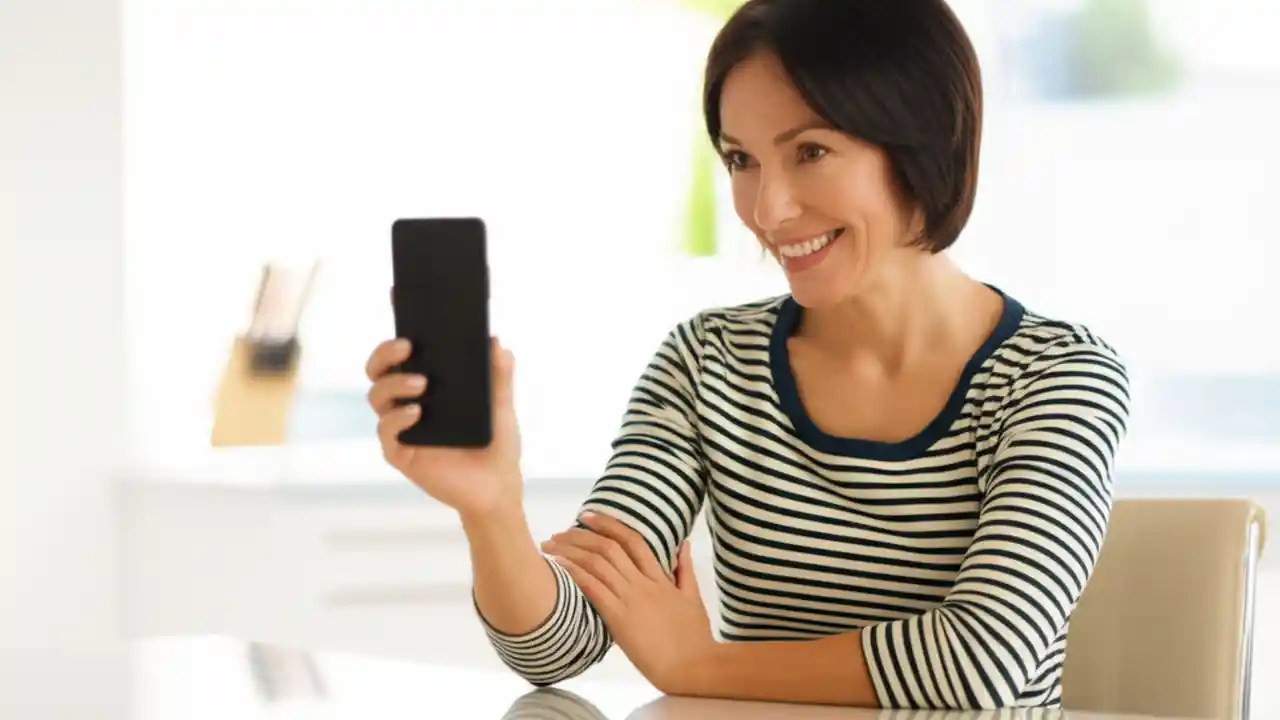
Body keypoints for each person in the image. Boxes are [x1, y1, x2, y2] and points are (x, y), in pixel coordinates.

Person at [364, 0, 1130, 710]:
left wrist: (701, 668)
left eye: (811, 151)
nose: (769, 210)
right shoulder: (709, 362)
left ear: (922, 140)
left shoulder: (1058, 377)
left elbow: (985, 658)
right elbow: (561, 646)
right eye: (741, 160)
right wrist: (491, 509)